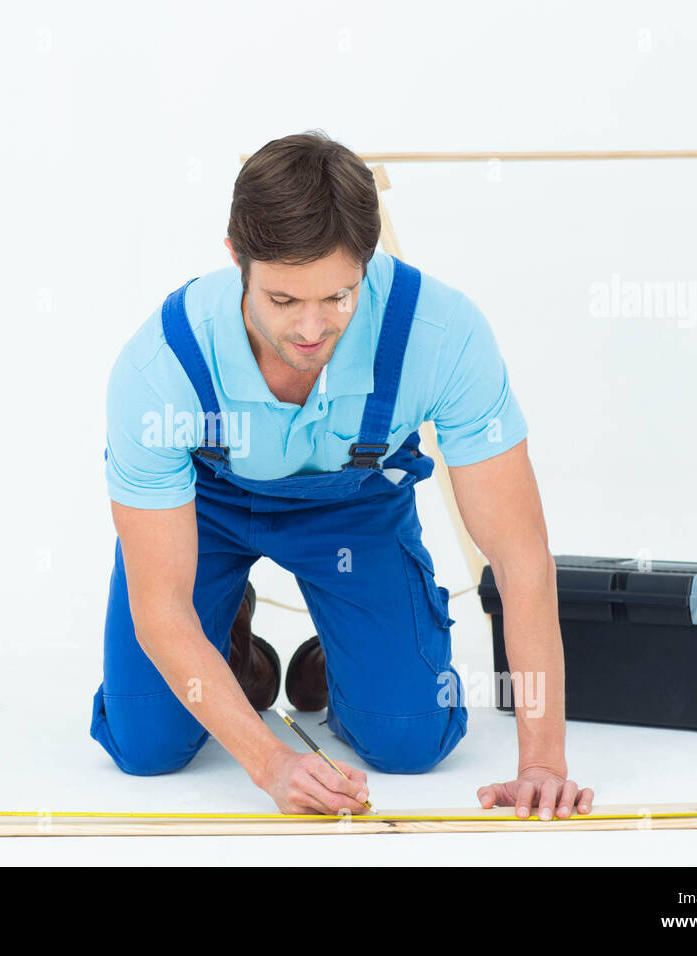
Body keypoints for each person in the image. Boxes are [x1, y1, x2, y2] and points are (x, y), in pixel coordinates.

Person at [90, 129, 593, 820]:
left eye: (337, 297)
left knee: (412, 740)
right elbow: (159, 608)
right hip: (200, 511)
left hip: (351, 509)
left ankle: (347, 651)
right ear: (237, 258)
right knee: (146, 744)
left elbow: (520, 558)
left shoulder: (442, 335)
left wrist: (543, 760)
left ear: (368, 259)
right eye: (283, 299)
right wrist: (270, 765)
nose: (309, 328)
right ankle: (236, 649)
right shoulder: (160, 369)